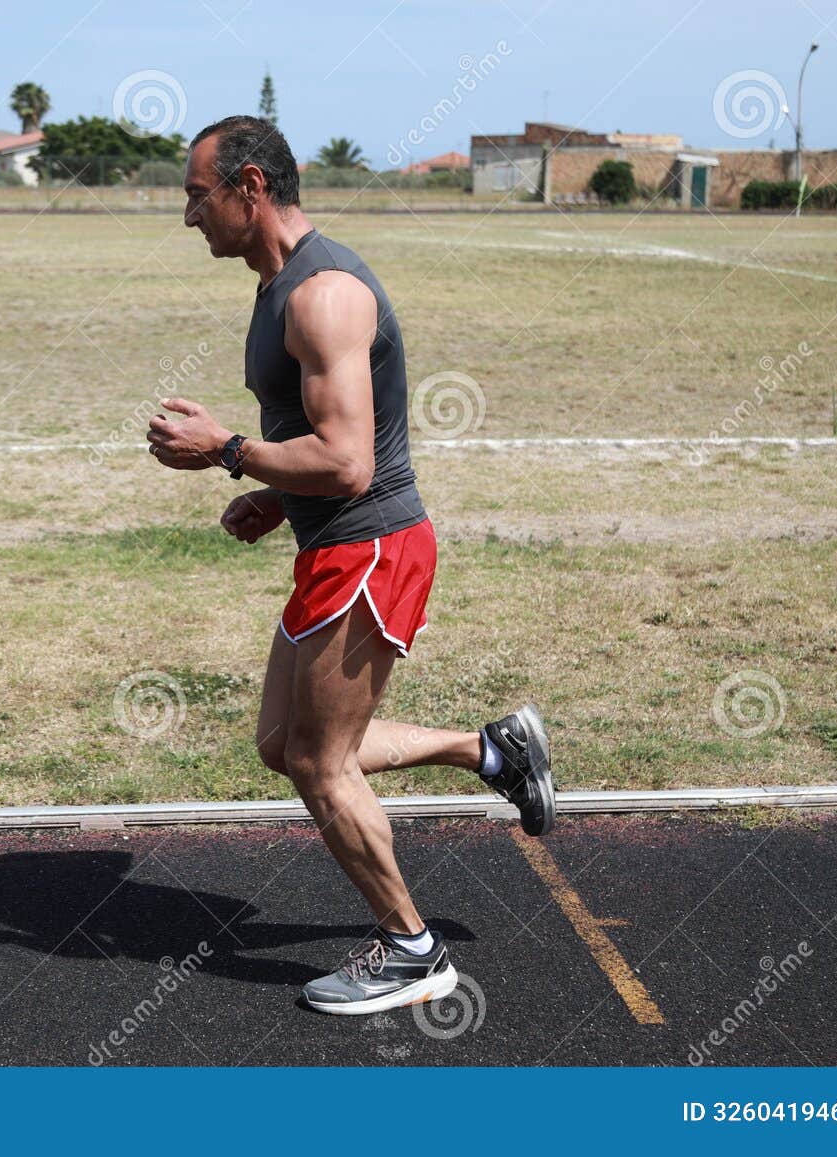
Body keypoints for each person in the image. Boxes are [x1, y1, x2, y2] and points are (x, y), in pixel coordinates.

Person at [147, 115, 554, 1015]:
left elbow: (348, 462)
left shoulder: (323, 293)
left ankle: (413, 949)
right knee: (283, 742)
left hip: (371, 546)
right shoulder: (276, 286)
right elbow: (318, 441)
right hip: (333, 543)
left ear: (251, 187)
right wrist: (273, 493)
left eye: (198, 195)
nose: (189, 215)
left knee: (319, 762)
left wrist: (229, 451)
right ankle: (492, 750)